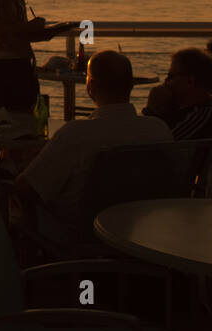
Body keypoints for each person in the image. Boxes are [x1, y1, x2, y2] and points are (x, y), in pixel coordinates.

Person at [17, 50, 172, 241]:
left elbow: (27, 189)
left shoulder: (76, 134)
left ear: (90, 86)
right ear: (131, 85)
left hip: (78, 235)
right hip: (142, 234)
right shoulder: (158, 130)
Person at [144, 48, 212, 140]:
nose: (166, 81)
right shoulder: (182, 112)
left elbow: (161, 144)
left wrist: (152, 110)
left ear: (190, 81)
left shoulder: (201, 116)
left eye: (170, 76)